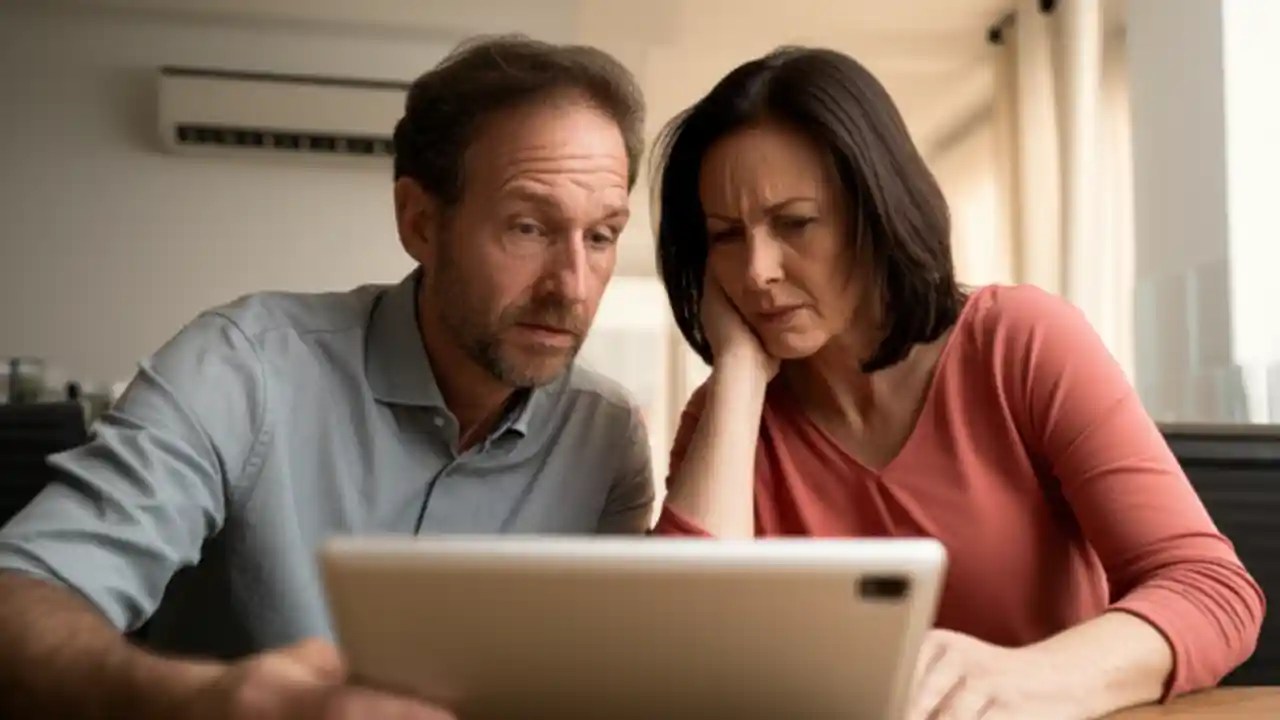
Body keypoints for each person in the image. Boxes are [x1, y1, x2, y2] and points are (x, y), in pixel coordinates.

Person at [0, 35, 653, 719]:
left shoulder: (605, 438)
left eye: (602, 236)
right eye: (527, 227)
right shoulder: (244, 368)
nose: (573, 287)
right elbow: (22, 595)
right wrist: (205, 700)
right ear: (421, 222)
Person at [649, 46, 1264, 720]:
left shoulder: (1021, 342)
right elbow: (677, 653)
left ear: (876, 212)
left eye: (795, 224)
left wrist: (1030, 678)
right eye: (727, 236)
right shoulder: (728, 421)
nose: (758, 269)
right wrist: (737, 374)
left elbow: (1212, 591)